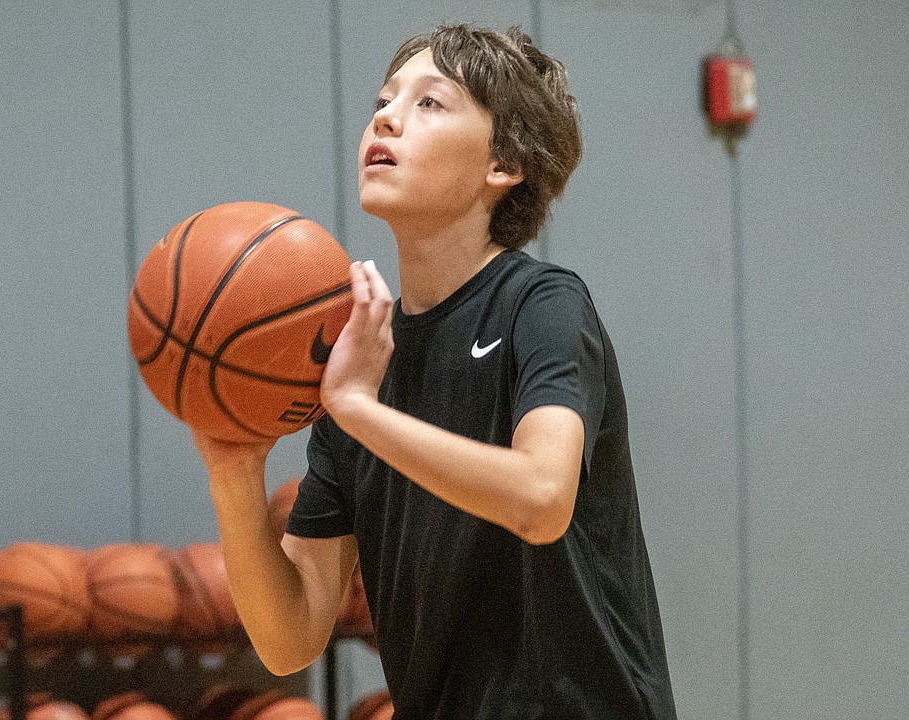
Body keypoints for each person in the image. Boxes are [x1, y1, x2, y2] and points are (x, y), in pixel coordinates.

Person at [194, 24, 677, 720]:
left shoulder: (542, 306)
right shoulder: (362, 360)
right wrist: (233, 472)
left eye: (429, 103)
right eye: (384, 100)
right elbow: (289, 639)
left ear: (504, 162)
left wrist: (358, 410)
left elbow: (541, 498)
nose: (386, 117)